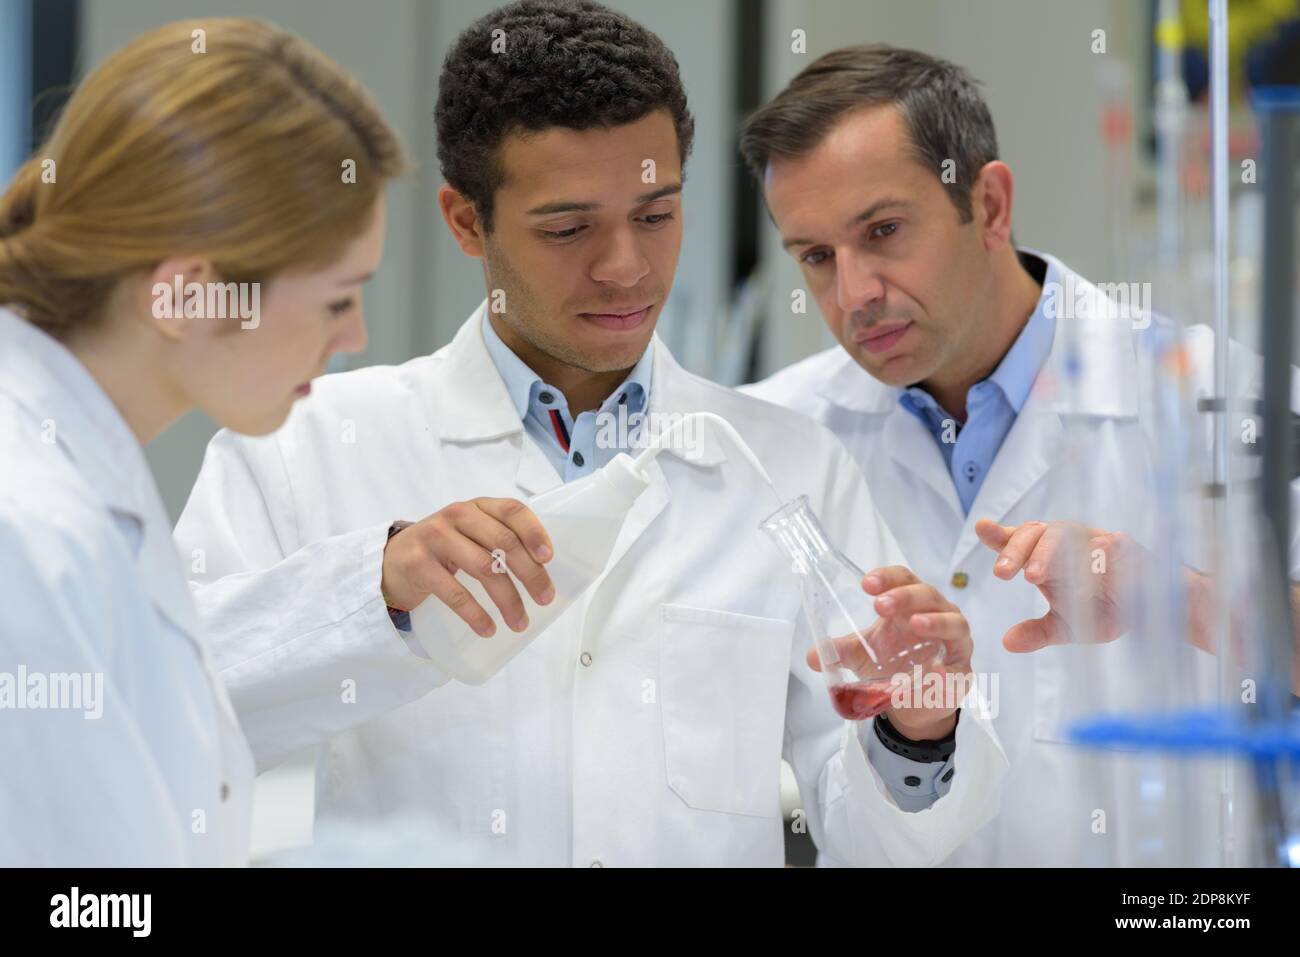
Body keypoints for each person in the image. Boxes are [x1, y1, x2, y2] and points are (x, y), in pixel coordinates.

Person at [174, 1, 1006, 868]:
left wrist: (920, 728)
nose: (625, 266)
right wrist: (371, 593)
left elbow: (880, 839)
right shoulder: (311, 444)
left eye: (655, 214)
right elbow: (172, 710)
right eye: (568, 228)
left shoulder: (793, 465)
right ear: (466, 221)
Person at [740, 43, 1300, 866]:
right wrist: (913, 733)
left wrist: (1169, 597)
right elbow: (823, 799)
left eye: (884, 231)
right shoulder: (774, 440)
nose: (854, 293)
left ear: (991, 205)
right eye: (817, 257)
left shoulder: (1222, 397)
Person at [0, 18, 406, 865]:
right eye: (337, 299)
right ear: (189, 295)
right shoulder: (29, 527)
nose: (356, 336)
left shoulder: (80, 471)